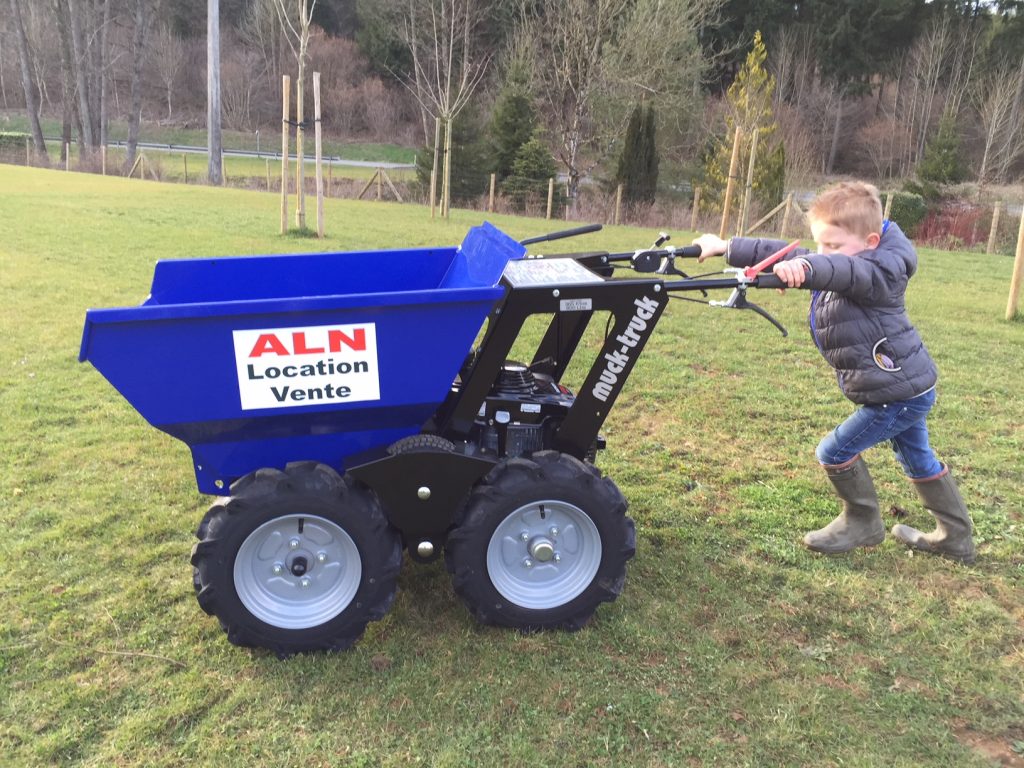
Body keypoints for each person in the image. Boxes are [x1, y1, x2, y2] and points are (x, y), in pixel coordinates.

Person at [691, 181, 975, 563]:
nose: (824, 252)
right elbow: (801, 254)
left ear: (871, 240)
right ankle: (954, 539)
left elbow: (835, 267)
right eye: (821, 244)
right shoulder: (848, 256)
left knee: (834, 451)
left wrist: (806, 268)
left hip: (897, 395)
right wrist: (727, 247)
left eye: (834, 245)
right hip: (905, 387)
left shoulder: (879, 272)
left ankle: (862, 522)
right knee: (918, 458)